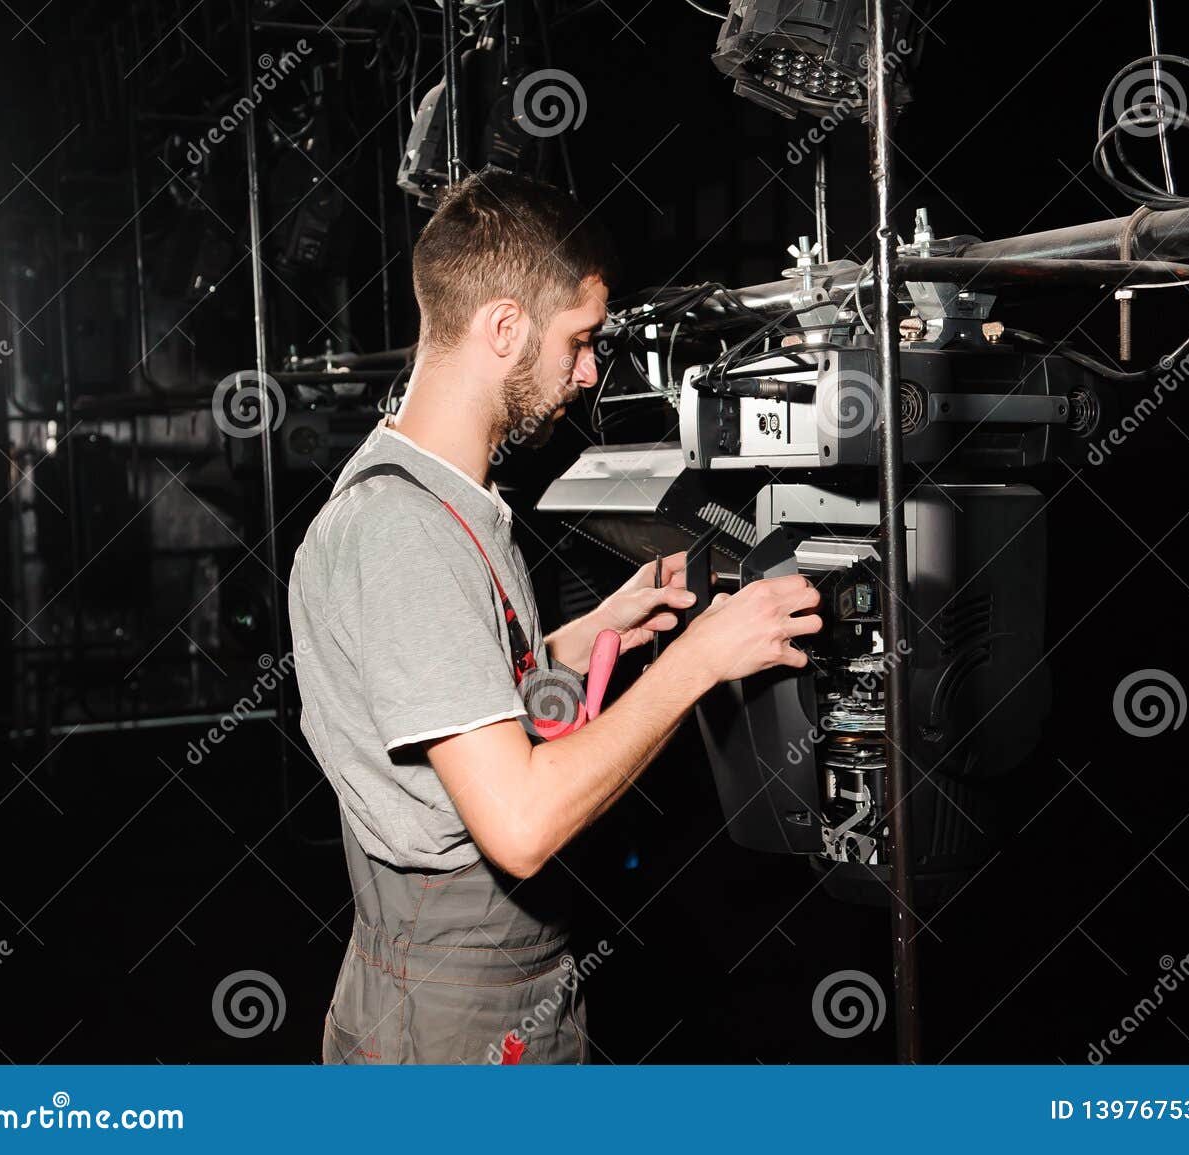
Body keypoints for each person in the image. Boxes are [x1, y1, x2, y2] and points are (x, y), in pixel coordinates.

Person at [287, 171, 821, 1064]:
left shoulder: (437, 496)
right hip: (454, 1017)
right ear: (504, 327)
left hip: (480, 986)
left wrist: (596, 631)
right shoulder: (404, 534)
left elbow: (468, 694)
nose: (585, 371)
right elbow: (521, 825)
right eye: (577, 340)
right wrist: (698, 660)